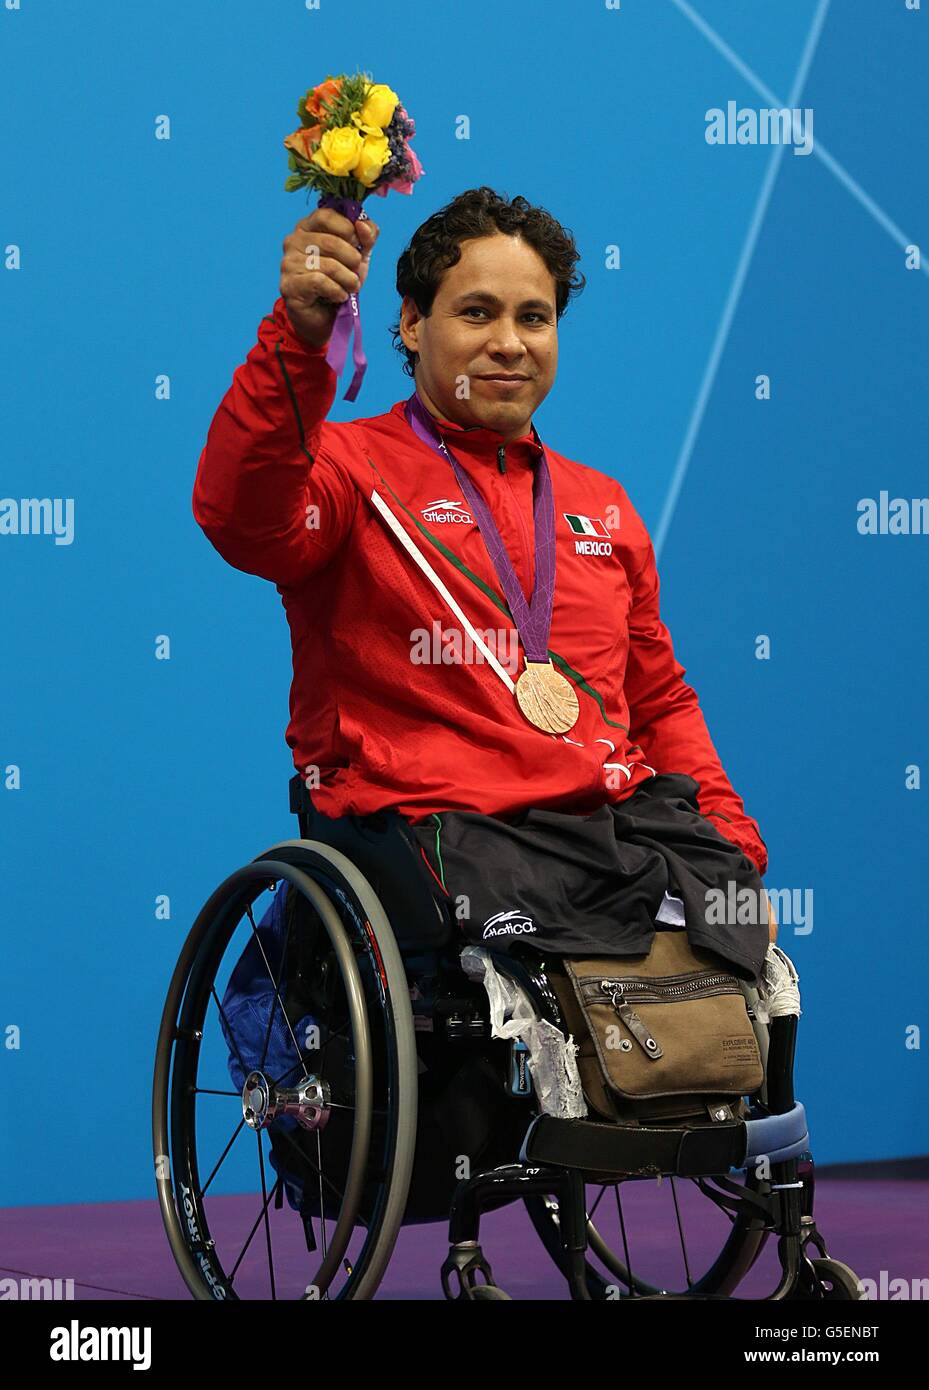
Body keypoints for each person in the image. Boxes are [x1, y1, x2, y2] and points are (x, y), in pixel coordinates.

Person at [192, 186, 776, 980]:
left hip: (606, 831)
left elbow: (659, 697)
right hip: (437, 833)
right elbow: (244, 518)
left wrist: (732, 842)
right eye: (476, 313)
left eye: (532, 318)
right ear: (408, 322)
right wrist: (299, 336)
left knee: (737, 947)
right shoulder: (345, 470)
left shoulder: (599, 505)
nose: (509, 343)